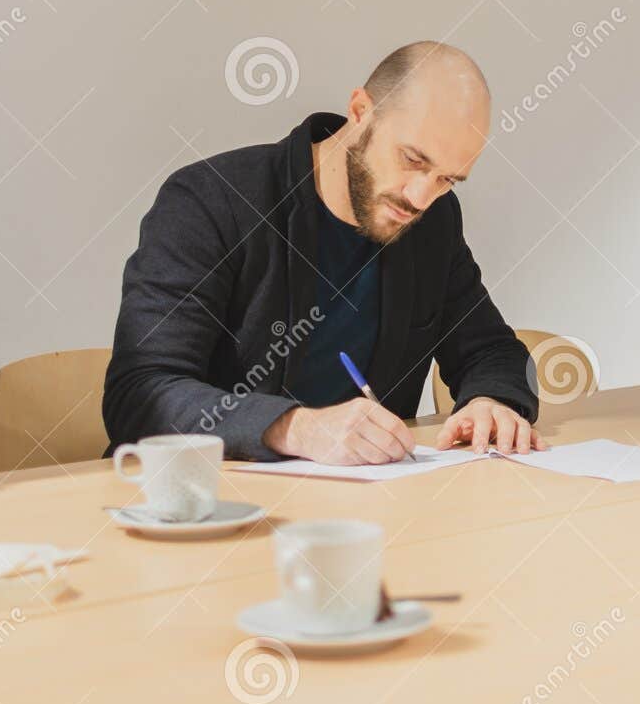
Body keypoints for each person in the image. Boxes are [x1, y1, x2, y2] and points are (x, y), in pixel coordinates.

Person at [103, 42, 542, 463]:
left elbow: (490, 350)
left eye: (448, 178)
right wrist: (295, 428)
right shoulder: (210, 201)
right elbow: (141, 393)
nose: (421, 197)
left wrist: (492, 401)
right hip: (217, 504)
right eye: (413, 159)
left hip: (375, 509)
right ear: (360, 112)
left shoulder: (434, 221)